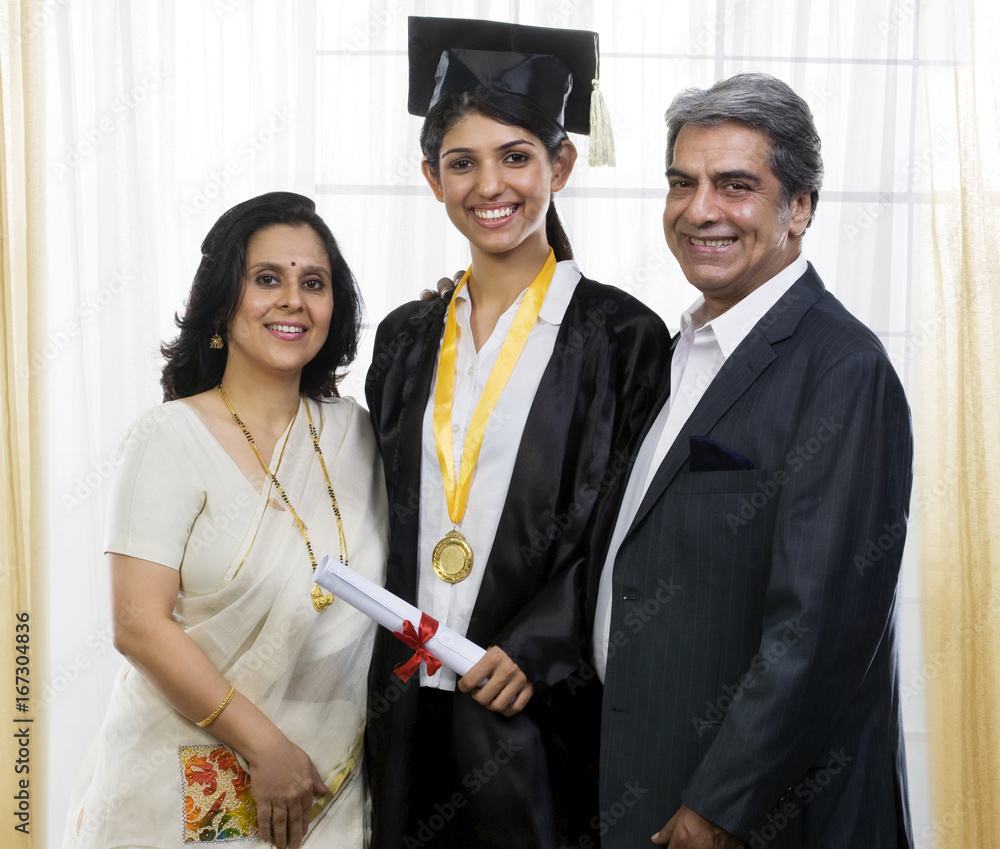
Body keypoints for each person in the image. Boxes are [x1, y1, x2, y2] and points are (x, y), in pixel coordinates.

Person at [364, 16, 671, 849]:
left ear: (560, 164)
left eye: (516, 156)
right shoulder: (403, 339)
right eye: (461, 162)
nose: (488, 184)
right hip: (405, 700)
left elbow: (627, 528)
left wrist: (542, 643)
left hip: (536, 708)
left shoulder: (623, 337)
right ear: (432, 178)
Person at [593, 73, 914, 848]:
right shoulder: (680, 352)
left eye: (735, 185)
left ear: (799, 207)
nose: (700, 209)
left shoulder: (843, 368)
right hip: (650, 780)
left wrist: (720, 807)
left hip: (757, 815)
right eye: (682, 182)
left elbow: (818, 626)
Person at [63, 192, 387, 849]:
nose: (292, 299)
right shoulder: (168, 437)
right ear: (221, 304)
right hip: (187, 776)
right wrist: (264, 745)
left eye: (313, 282)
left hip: (328, 780)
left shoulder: (358, 434)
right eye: (267, 278)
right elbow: (137, 622)